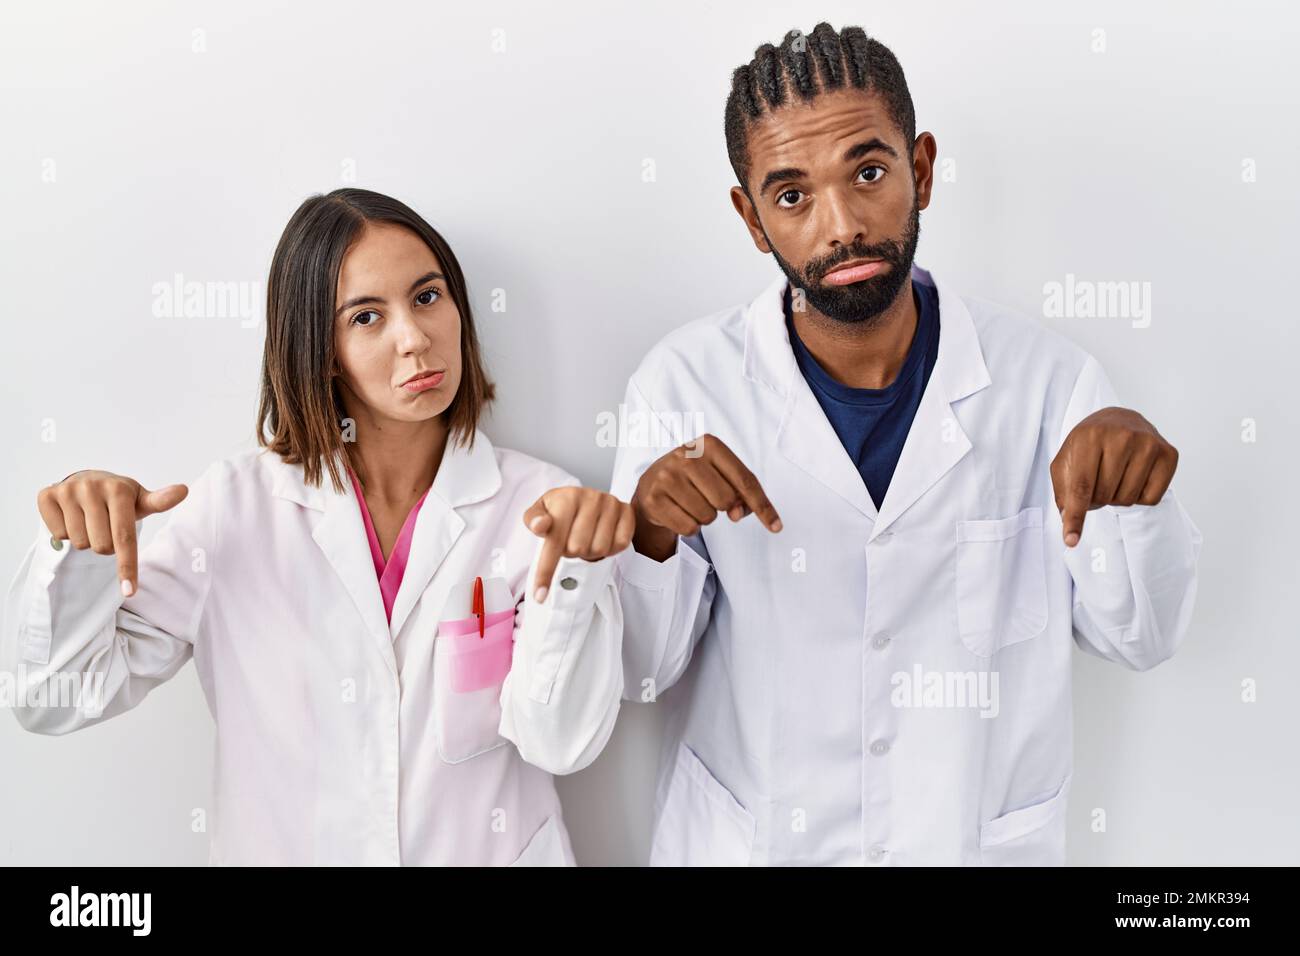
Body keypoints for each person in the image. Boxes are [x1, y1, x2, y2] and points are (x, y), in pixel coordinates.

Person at [610, 24, 1203, 866]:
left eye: (870, 172)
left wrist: (1138, 499)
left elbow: (1141, 637)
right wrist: (650, 534)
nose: (841, 225)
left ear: (920, 169)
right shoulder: (684, 385)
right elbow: (640, 674)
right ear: (750, 218)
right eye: (791, 196)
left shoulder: (1049, 385)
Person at [4, 188, 633, 866]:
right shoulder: (235, 512)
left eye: (428, 296)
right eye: (367, 316)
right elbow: (48, 701)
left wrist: (577, 572)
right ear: (323, 349)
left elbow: (559, 743)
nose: (415, 337)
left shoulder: (541, 507)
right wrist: (83, 550)